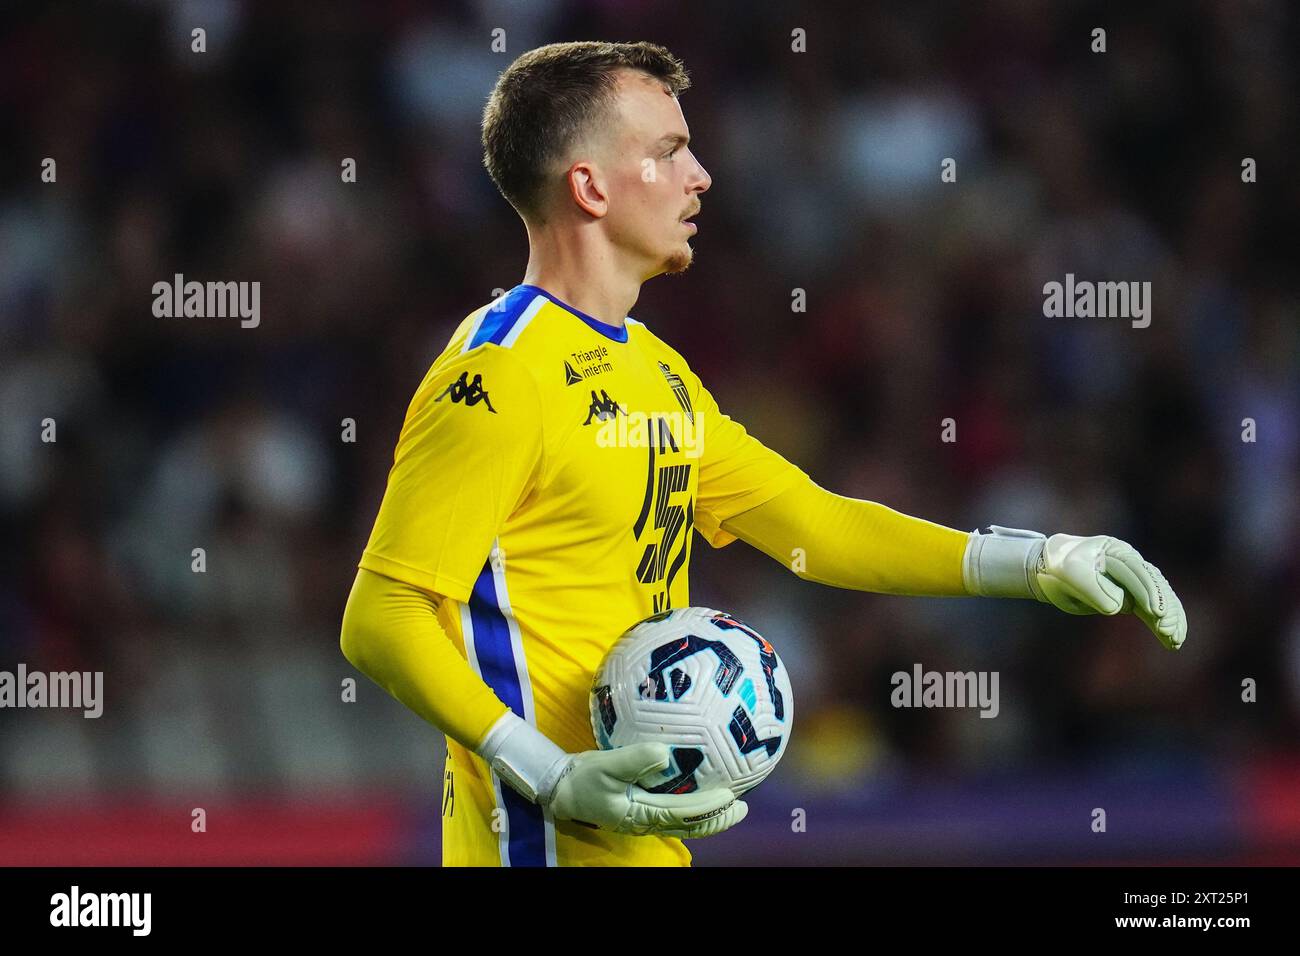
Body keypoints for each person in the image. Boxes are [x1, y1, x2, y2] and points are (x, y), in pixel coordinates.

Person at [340, 40, 1186, 867]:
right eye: (669, 152)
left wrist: (1035, 560)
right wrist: (549, 773)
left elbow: (814, 527)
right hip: (537, 844)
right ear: (589, 186)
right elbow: (380, 617)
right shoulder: (498, 374)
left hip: (643, 844)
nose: (700, 175)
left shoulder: (658, 372)